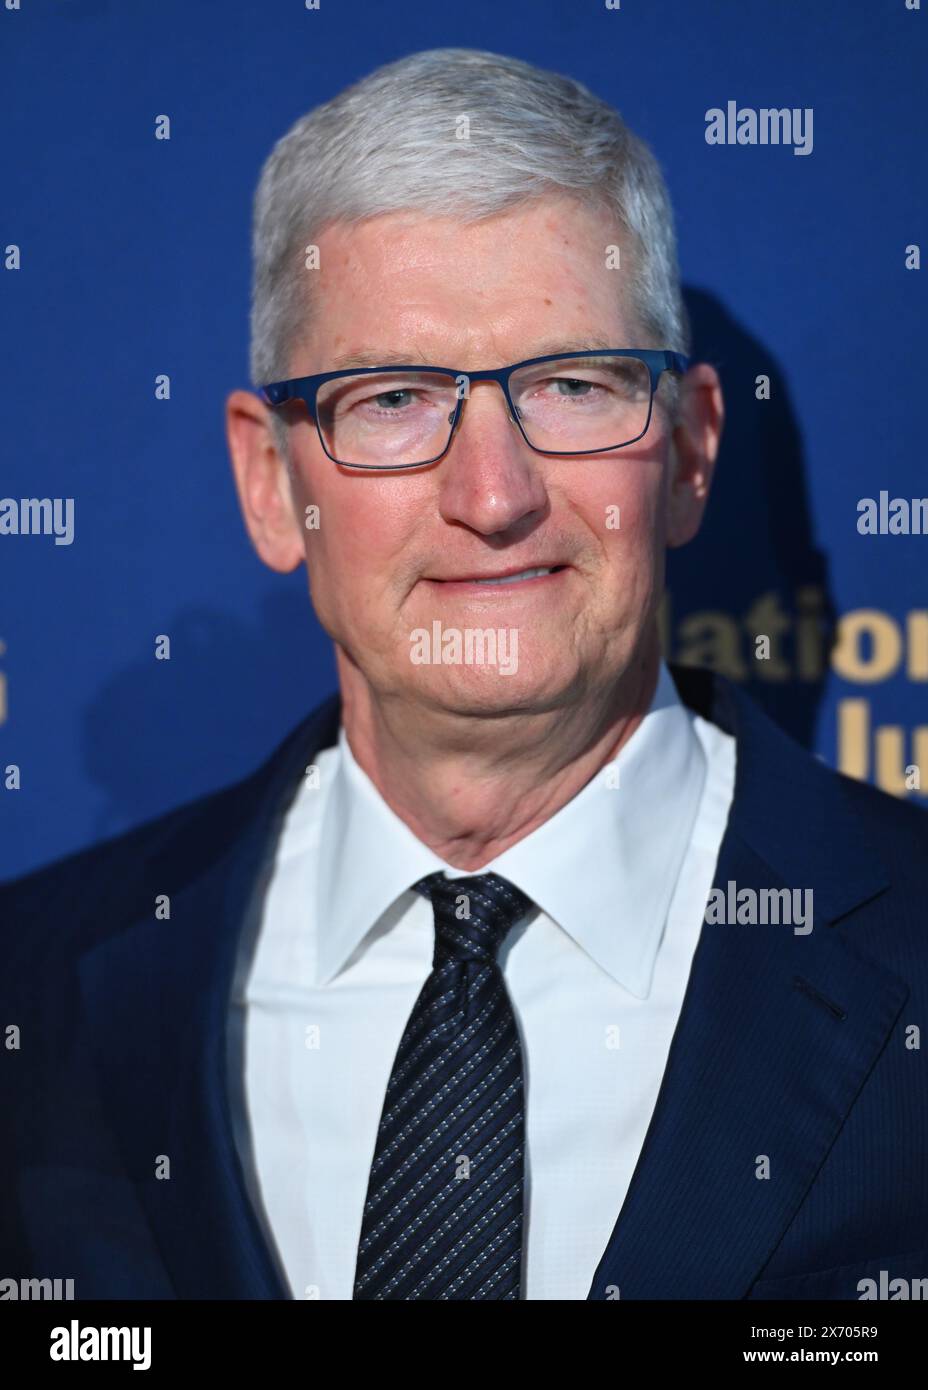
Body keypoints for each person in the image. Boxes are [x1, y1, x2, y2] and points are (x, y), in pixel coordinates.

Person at [2, 47, 926, 1303]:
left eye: (571, 384)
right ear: (273, 484)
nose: (493, 497)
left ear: (693, 451)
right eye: (390, 399)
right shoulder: (37, 982)